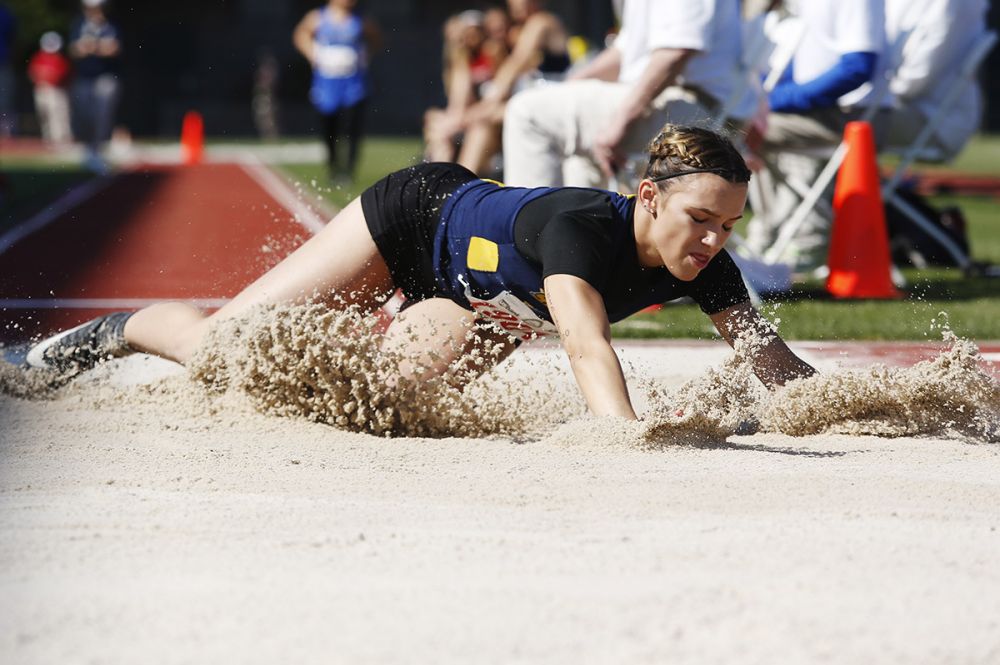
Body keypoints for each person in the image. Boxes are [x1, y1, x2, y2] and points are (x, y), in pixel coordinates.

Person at [24, 124, 816, 421]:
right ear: (649, 198)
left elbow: (773, 363)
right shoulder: (583, 230)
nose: (713, 240)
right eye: (700, 219)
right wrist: (624, 437)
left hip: (475, 296)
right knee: (231, 349)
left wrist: (852, 406)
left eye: (728, 226)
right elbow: (583, 343)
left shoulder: (703, 264)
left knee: (371, 402)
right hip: (413, 219)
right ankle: (109, 335)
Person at [501, 0, 747, 188]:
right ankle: (581, 249)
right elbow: (625, 53)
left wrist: (620, 121)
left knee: (527, 112)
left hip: (690, 107)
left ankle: (526, 247)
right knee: (573, 152)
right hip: (669, 98)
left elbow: (676, 52)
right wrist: (569, 86)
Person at [741, 0, 888, 272]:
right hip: (817, 110)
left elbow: (857, 67)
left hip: (849, 113)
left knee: (741, 128)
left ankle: (794, 239)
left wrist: (775, 100)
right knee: (746, 125)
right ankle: (771, 236)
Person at [428, 0, 570, 177]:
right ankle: (441, 180)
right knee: (473, 121)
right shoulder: (520, 30)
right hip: (535, 102)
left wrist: (464, 117)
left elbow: (514, 67)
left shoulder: (541, 22)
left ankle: (455, 183)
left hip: (549, 102)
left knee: (483, 121)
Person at [882, 0, 989, 160]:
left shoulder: (951, 5)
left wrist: (871, 92)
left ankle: (842, 182)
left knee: (842, 114)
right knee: (839, 109)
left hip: (934, 121)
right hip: (902, 108)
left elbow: (913, 82)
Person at [293, 0, 381, 182]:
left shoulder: (360, 20)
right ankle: (333, 167)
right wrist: (314, 55)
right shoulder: (317, 17)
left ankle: (348, 170)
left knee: (352, 125)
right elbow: (300, 35)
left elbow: (376, 38)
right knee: (328, 125)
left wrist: (365, 55)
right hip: (327, 82)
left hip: (353, 82)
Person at [422, 9, 508, 164]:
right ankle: (441, 174)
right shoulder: (461, 61)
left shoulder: (492, 53)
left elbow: (495, 101)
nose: (471, 36)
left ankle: (464, 179)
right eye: (467, 32)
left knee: (479, 129)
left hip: (487, 120)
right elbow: (458, 103)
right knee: (435, 122)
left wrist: (462, 118)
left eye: (476, 31)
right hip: (470, 117)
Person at [68, 0, 122, 173]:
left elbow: (114, 48)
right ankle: (89, 150)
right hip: (84, 78)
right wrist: (95, 47)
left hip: (104, 77)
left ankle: (98, 150)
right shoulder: (78, 24)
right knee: (85, 114)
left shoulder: (111, 25)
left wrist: (93, 47)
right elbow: (74, 49)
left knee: (102, 114)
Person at [28, 32, 73, 145]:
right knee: (44, 117)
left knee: (58, 116)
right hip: (41, 90)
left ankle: (60, 140)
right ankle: (48, 140)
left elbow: (58, 77)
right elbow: (32, 73)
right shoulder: (39, 57)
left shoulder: (60, 59)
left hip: (55, 91)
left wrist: (45, 77)